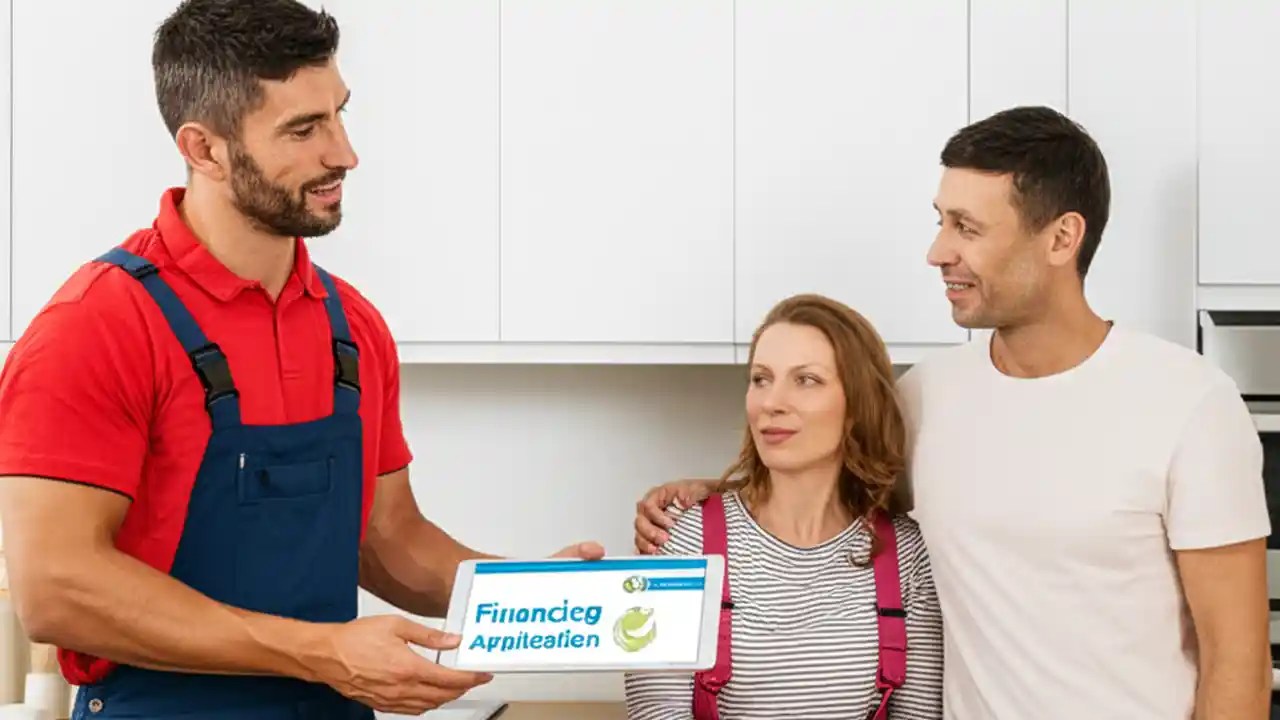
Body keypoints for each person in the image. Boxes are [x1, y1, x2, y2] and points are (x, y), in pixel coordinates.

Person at [0, 2, 603, 719]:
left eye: (340, 114)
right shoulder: (96, 327)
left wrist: (534, 600)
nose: (344, 153)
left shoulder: (352, 326)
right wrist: (323, 653)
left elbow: (386, 537)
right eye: (304, 129)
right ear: (204, 149)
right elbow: (56, 589)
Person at [633, 106, 1273, 719]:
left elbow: (1236, 665)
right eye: (941, 221)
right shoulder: (924, 398)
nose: (938, 251)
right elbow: (830, 489)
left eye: (967, 227)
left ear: (1061, 238)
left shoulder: (1188, 403)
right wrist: (712, 495)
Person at [624, 294, 943, 719]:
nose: (770, 402)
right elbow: (657, 713)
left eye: (805, 380)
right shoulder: (683, 540)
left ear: (856, 407)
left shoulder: (906, 556)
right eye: (760, 379)